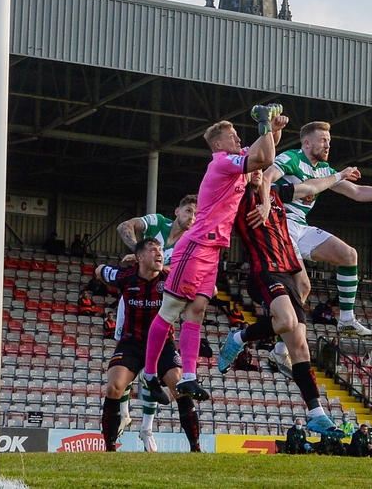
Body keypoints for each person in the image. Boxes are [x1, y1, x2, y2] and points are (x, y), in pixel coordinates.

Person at [143, 107, 287, 404]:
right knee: (169, 312)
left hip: (213, 250)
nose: (238, 140)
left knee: (196, 311)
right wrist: (263, 125)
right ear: (219, 144)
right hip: (196, 246)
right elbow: (265, 157)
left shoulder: (235, 160)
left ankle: (190, 377)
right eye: (232, 137)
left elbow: (265, 147)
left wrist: (273, 128)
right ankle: (148, 376)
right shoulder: (222, 163)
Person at [215, 167, 343, 439]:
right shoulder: (239, 197)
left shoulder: (276, 194)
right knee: (286, 321)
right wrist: (270, 127)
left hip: (288, 270)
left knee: (300, 346)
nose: (260, 173)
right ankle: (239, 338)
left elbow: (311, 187)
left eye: (263, 170)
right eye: (254, 170)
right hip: (264, 271)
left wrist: (339, 176)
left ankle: (316, 414)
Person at [266, 121, 372, 335]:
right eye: (323, 140)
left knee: (348, 255)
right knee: (302, 287)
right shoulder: (291, 158)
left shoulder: (324, 169)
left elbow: (357, 191)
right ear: (307, 143)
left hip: (299, 226)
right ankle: (278, 346)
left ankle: (346, 319)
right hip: (279, 225)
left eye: (329, 141)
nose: (328, 145)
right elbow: (266, 179)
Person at [99, 237, 201, 453]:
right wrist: (109, 273)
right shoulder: (125, 277)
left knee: (180, 388)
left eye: (160, 250)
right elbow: (99, 270)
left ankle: (196, 448)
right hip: (132, 343)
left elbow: (205, 287)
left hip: (163, 342)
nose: (158, 253)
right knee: (113, 387)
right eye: (152, 250)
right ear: (140, 257)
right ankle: (109, 449)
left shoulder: (171, 277)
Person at [115, 195, 199, 266]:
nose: (191, 217)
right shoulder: (159, 221)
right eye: (188, 211)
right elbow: (124, 226)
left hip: (164, 283)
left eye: (196, 214)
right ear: (177, 211)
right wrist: (139, 253)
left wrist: (148, 260)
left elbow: (176, 270)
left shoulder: (191, 243)